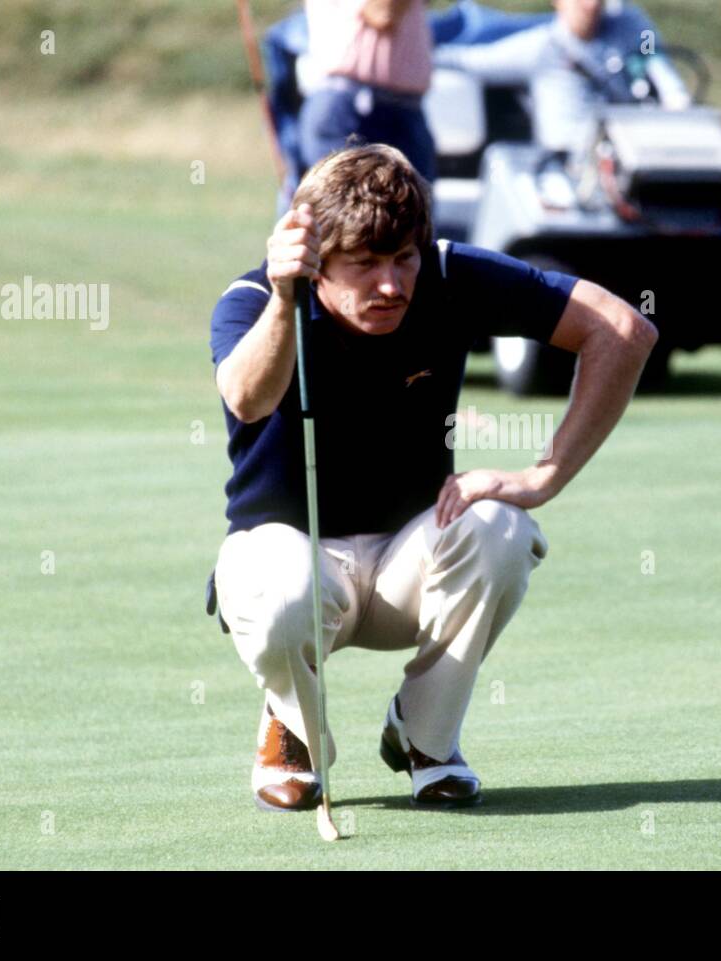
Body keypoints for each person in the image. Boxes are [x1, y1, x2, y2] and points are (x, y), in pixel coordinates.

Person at [208, 144, 657, 810]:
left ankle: (426, 736)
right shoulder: (253, 299)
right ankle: (293, 730)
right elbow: (248, 398)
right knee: (281, 594)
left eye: (403, 258)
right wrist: (284, 298)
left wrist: (544, 475)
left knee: (501, 527)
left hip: (406, 566)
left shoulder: (450, 276)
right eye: (363, 264)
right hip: (292, 563)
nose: (390, 285)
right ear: (317, 261)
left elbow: (622, 329)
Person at [434, 0, 691, 151]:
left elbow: (654, 56)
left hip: (631, 150)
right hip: (567, 161)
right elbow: (465, 60)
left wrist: (674, 98)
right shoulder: (539, 48)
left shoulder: (631, 31)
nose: (590, 5)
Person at [298, 0, 437, 183]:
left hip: (403, 107)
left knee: (413, 205)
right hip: (349, 106)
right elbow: (383, 12)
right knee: (343, 201)